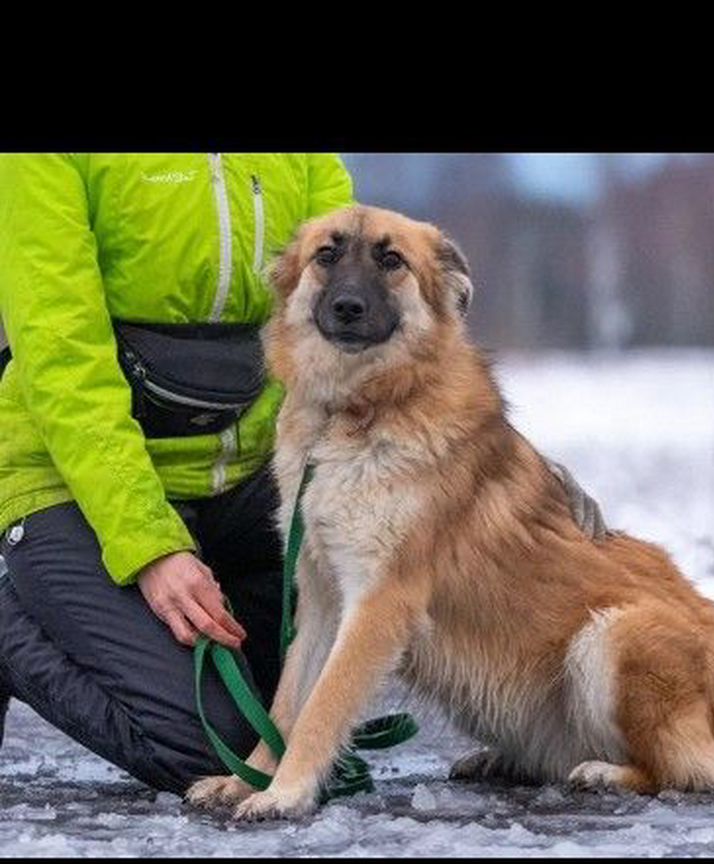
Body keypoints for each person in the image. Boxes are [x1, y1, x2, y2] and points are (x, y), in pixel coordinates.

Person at [0, 153, 608, 795]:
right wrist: (151, 547)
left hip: (240, 482)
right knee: (210, 751)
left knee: (281, 728)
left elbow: (323, 335)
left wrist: (497, 459)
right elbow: (63, 362)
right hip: (78, 481)